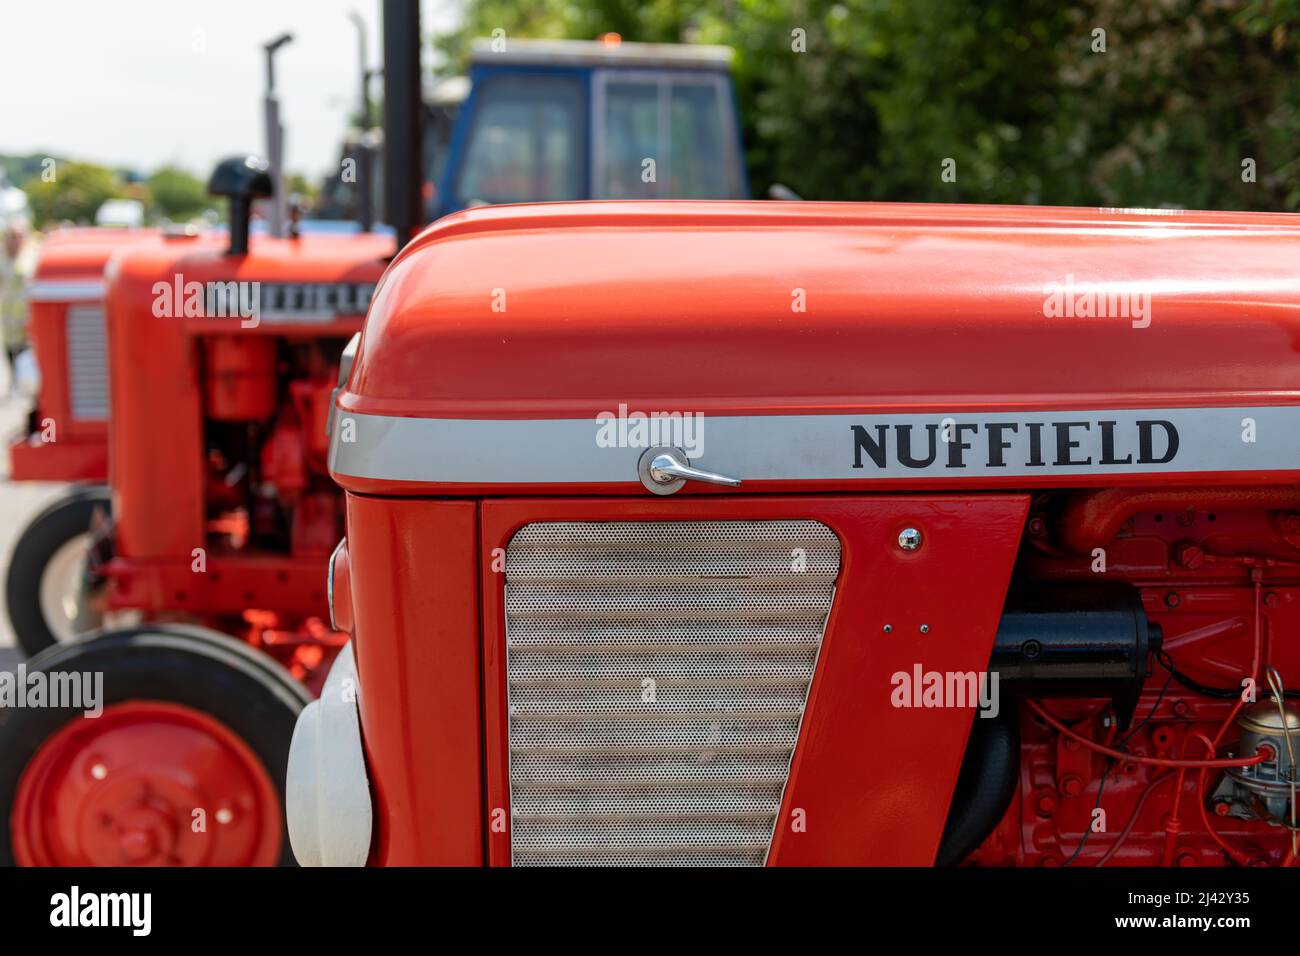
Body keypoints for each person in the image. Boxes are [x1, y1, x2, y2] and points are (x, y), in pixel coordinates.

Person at [0, 216, 36, 395]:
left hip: (27, 310)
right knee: (10, 346)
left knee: (26, 346)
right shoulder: (2, 256)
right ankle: (13, 381)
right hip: (8, 310)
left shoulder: (32, 255)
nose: (15, 240)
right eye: (12, 236)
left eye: (19, 235)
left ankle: (25, 383)